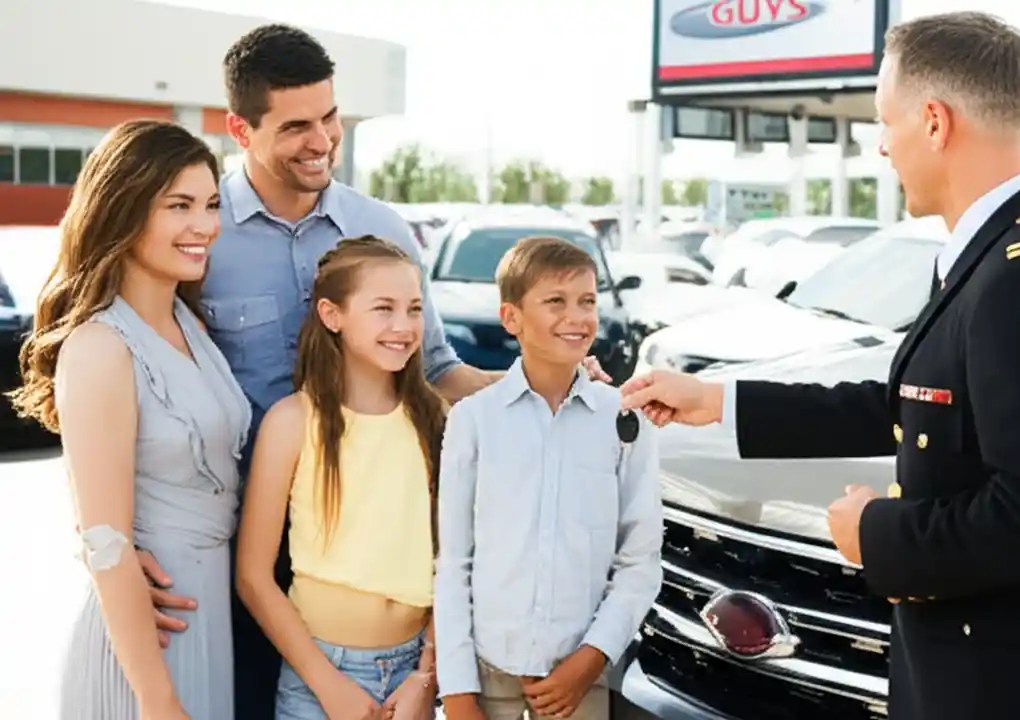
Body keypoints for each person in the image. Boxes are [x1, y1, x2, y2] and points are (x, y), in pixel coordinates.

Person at [619, 11, 1020, 720]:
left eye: (884, 122)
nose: (882, 148)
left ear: (933, 122)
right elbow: (911, 403)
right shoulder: (996, 257)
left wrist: (876, 535)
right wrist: (716, 399)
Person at [131, 24, 610, 719]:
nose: (323, 140)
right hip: (243, 547)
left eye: (331, 118)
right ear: (241, 127)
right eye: (297, 126)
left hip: (373, 554)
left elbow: (438, 369)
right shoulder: (202, 236)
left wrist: (555, 378)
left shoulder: (382, 227)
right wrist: (117, 537)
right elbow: (136, 374)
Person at [8, 120, 251, 719]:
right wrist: (158, 701)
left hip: (206, 617)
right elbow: (104, 538)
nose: (205, 226)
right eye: (180, 206)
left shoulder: (190, 323)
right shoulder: (99, 345)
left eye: (212, 204)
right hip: (146, 650)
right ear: (125, 208)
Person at [435, 236, 663, 720]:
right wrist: (456, 692)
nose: (576, 317)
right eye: (555, 302)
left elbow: (639, 562)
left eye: (587, 301)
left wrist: (591, 659)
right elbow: (454, 562)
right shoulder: (473, 420)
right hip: (487, 674)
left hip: (580, 678)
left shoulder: (622, 421)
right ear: (511, 318)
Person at [236, 236, 444, 719]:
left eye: (414, 309)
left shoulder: (434, 418)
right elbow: (252, 577)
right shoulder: (292, 421)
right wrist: (328, 685)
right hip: (319, 678)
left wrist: (424, 678)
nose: (403, 326)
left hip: (413, 677)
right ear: (332, 315)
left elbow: (452, 561)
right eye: (383, 309)